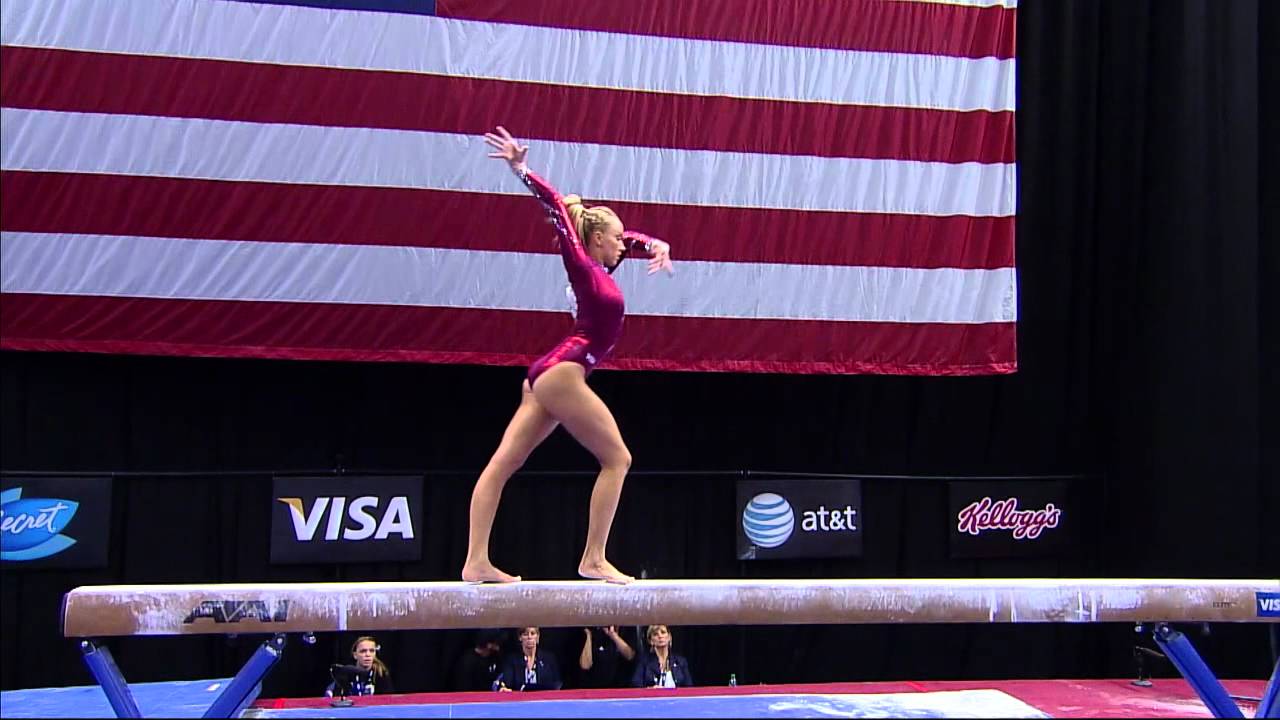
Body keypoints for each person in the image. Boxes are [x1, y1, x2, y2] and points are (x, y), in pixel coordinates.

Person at [462, 126, 674, 585]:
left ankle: (476, 560)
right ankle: (593, 558)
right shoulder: (581, 262)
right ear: (596, 239)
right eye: (617, 239)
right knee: (618, 459)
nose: (624, 245)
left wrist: (655, 244)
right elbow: (557, 207)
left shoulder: (599, 267)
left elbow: (630, 237)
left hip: (549, 373)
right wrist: (522, 169)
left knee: (504, 463)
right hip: (563, 372)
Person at [497, 626, 562, 691]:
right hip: (520, 696)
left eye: (533, 633)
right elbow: (507, 684)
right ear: (520, 637)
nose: (529, 637)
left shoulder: (549, 659)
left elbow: (557, 684)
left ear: (537, 637)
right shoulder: (511, 660)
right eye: (525, 634)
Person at [325, 636, 393, 696]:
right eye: (363, 651)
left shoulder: (381, 674)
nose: (368, 654)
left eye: (372, 651)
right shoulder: (347, 673)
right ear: (355, 655)